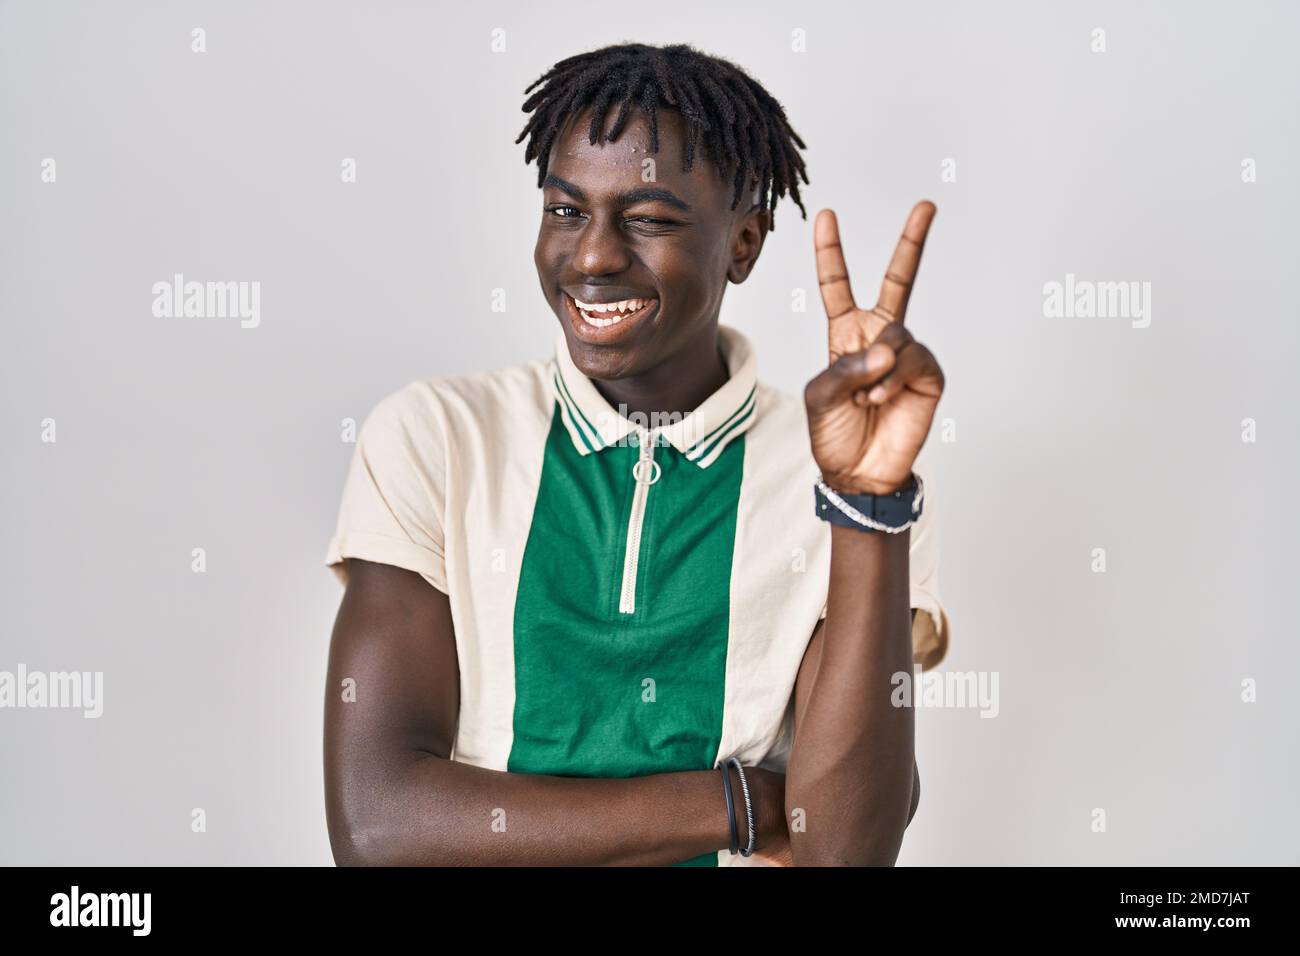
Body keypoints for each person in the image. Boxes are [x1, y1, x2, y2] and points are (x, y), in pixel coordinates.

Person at [323, 42, 951, 866]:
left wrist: (866, 508)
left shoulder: (845, 479)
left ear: (744, 245)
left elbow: (843, 851)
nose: (592, 256)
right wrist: (736, 803)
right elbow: (377, 827)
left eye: (650, 219)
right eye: (565, 210)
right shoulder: (436, 436)